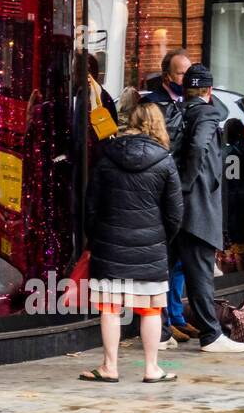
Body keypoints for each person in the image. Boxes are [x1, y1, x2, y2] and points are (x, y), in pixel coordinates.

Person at [77, 102, 182, 384]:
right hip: (150, 247)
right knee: (150, 309)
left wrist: (95, 237)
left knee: (110, 308)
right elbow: (175, 213)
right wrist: (161, 240)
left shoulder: (106, 155)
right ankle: (151, 369)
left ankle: (110, 367)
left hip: (110, 244)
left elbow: (91, 206)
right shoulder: (164, 160)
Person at [174, 63, 244, 352]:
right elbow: (198, 147)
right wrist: (187, 184)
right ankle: (211, 335)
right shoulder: (205, 115)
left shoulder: (180, 112)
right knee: (201, 274)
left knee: (173, 272)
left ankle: (165, 330)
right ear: (209, 90)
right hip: (197, 208)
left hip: (179, 210)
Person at [145, 49, 196, 344]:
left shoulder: (189, 104)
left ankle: (176, 315)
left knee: (178, 261)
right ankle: (162, 320)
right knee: (164, 260)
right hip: (162, 191)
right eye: (181, 74)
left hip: (180, 191)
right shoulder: (154, 105)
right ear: (167, 76)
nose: (186, 79)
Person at [221, 118, 244, 271]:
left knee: (230, 235)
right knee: (243, 238)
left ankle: (230, 266)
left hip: (228, 196)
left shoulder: (223, 151)